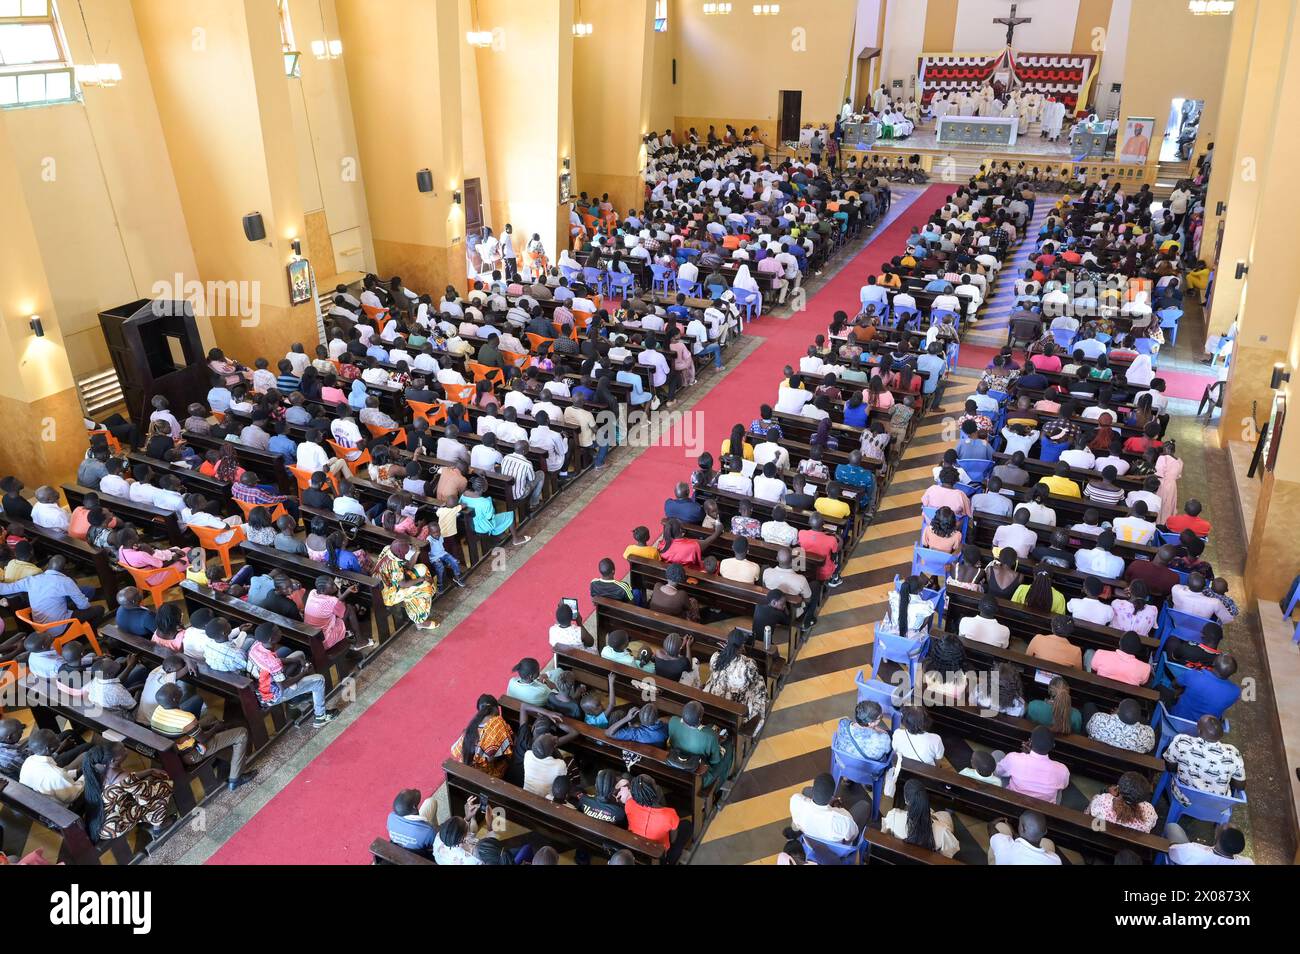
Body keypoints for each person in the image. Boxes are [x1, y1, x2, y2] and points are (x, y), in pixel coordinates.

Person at [81, 742, 174, 841]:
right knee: (163, 787)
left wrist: (150, 771)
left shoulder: (96, 772)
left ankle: (143, 820)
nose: (126, 751)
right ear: (113, 760)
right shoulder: (120, 776)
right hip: (114, 826)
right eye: (123, 751)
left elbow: (128, 780)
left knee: (143, 786)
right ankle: (157, 829)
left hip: (99, 821)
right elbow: (144, 799)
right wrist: (150, 781)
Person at [1164, 714, 1244, 807]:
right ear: (1221, 734)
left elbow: (1171, 767)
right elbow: (1240, 785)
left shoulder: (1182, 741)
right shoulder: (1233, 753)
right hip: (1215, 805)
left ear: (1198, 730)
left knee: (1168, 753)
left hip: (1183, 797)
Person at [704, 628, 768, 732]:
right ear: (742, 645)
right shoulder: (748, 665)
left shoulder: (716, 657)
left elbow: (712, 671)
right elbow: (753, 679)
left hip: (715, 698)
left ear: (727, 642)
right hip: (734, 702)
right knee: (759, 682)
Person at [881, 778, 960, 858]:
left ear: (906, 800)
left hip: (899, 857)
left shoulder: (893, 816)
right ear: (924, 798)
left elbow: (884, 834)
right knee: (946, 815)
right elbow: (948, 854)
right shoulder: (943, 832)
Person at [371, 538, 438, 632]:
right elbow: (403, 584)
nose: (406, 554)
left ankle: (421, 602)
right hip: (389, 593)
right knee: (425, 588)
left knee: (422, 568)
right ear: (399, 553)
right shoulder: (394, 565)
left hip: (390, 581)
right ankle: (420, 622)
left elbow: (408, 567)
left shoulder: (388, 549)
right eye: (405, 553)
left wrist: (417, 552)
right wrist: (422, 579)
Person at [788, 772, 868, 845]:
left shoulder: (796, 801)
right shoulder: (844, 820)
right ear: (831, 796)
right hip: (836, 852)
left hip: (809, 842)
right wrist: (836, 809)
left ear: (814, 789)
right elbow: (851, 837)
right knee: (865, 805)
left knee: (805, 790)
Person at [995, 726, 1070, 803]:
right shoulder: (1062, 770)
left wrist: (1023, 755)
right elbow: (1064, 785)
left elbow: (998, 771)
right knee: (1058, 790)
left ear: (1030, 742)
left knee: (997, 755)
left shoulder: (1013, 758)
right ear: (1053, 745)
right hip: (1044, 809)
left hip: (1013, 802)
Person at [1088, 771, 1157, 833]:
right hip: (1130, 846)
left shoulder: (1103, 801)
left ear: (1118, 788)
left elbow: (1091, 811)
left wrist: (1109, 795)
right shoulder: (1149, 810)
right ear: (1143, 799)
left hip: (1101, 837)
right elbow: (1152, 824)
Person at [988, 810, 1061, 865]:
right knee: (1048, 843)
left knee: (1001, 826)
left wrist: (992, 824)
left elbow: (993, 834)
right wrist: (1014, 833)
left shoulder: (1005, 846)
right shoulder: (1055, 860)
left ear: (1022, 828)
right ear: (1045, 831)